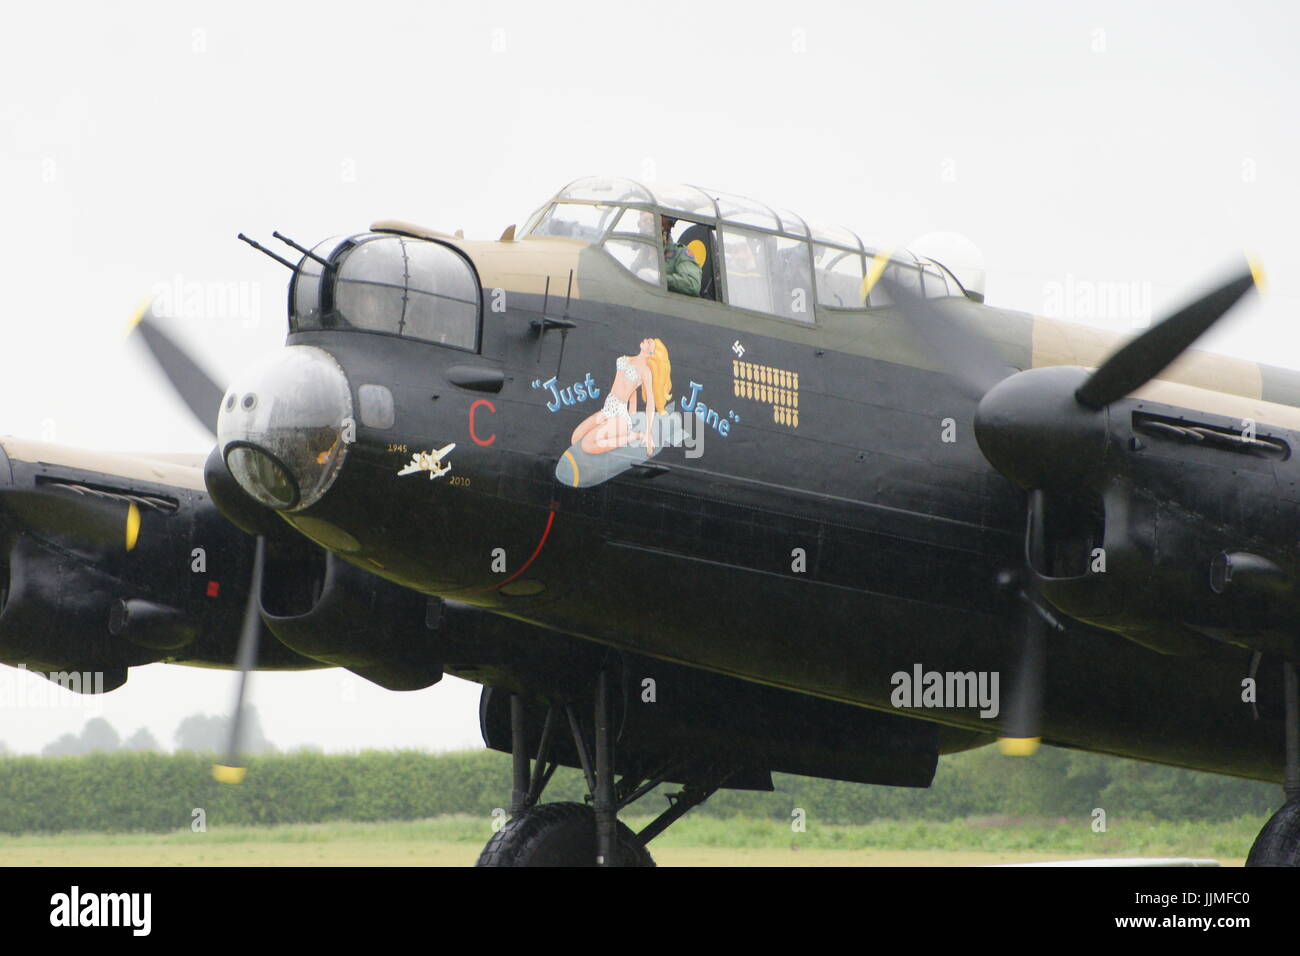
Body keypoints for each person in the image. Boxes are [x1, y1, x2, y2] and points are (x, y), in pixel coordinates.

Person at [569, 338, 673, 456]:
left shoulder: (645, 372)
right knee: (575, 439)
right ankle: (622, 435)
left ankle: (634, 436)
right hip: (608, 408)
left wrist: (648, 433)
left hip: (619, 416)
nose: (646, 340)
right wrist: (632, 411)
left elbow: (650, 403)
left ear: (651, 353)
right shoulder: (625, 359)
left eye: (649, 343)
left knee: (587, 445)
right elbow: (631, 391)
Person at [660, 216, 702, 296]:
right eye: (644, 221)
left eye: (651, 220)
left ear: (667, 227)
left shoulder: (680, 253)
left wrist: (660, 278)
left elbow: (692, 284)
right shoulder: (642, 256)